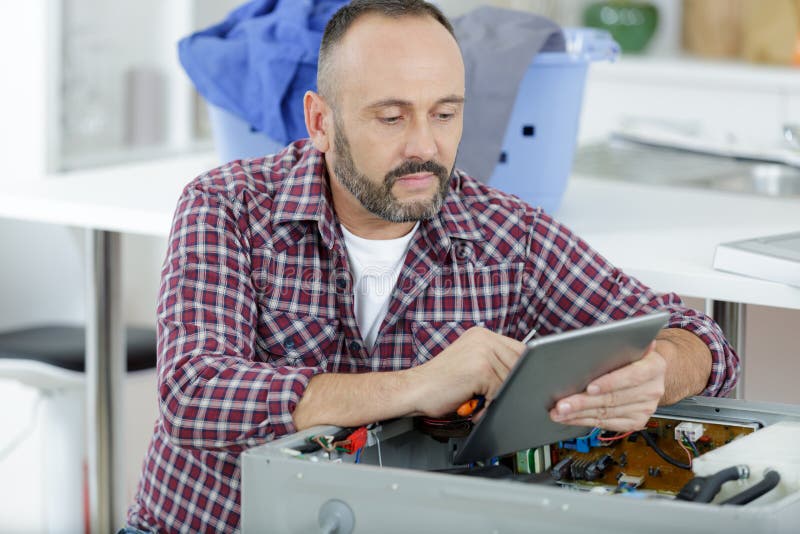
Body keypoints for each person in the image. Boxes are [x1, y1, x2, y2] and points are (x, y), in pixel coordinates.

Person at [126, 0, 738, 531]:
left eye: (444, 114)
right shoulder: (227, 205)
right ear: (320, 122)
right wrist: (419, 385)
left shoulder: (507, 234)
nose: (424, 146)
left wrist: (655, 371)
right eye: (391, 118)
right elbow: (193, 394)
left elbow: (706, 344)